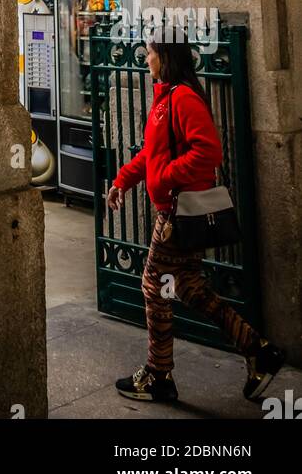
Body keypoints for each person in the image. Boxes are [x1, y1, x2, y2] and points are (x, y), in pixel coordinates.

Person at [108, 36, 284, 404]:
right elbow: (152, 156)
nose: (147, 59)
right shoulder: (166, 98)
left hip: (178, 213)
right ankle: (257, 349)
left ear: (166, 57)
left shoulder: (183, 98)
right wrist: (124, 180)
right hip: (173, 209)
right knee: (187, 287)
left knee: (153, 287)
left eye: (151, 54)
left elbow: (208, 151)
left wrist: (165, 177)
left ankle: (159, 374)